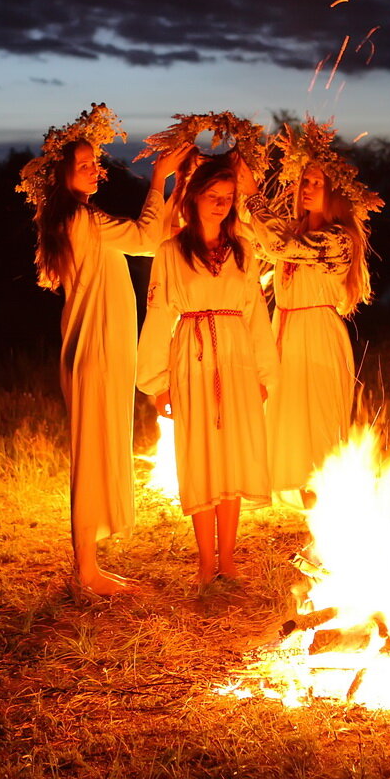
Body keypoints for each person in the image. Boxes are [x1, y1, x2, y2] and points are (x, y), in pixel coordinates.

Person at [18, 104, 190, 595]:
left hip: (96, 347)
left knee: (99, 449)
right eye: (85, 165)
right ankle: (86, 572)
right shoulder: (80, 219)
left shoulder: (78, 217)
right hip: (94, 348)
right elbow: (146, 238)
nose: (97, 170)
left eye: (97, 162)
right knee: (91, 454)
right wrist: (160, 179)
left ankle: (89, 565)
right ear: (63, 175)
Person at [137, 156, 278, 589]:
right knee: (199, 454)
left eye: (228, 198)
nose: (221, 205)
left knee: (233, 453)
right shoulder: (171, 251)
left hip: (236, 355)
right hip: (193, 355)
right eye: (213, 197)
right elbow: (159, 315)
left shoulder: (243, 250)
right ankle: (204, 561)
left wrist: (262, 373)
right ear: (195, 196)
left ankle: (229, 560)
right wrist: (157, 384)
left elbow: (256, 312)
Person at [235, 122, 379, 508]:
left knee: (316, 421)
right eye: (305, 181)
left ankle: (329, 508)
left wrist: (252, 196)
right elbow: (261, 236)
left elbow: (280, 243)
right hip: (285, 327)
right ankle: (303, 499)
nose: (307, 188)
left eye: (317, 182)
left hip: (316, 334)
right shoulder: (298, 229)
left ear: (334, 192)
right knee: (286, 418)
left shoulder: (337, 239)